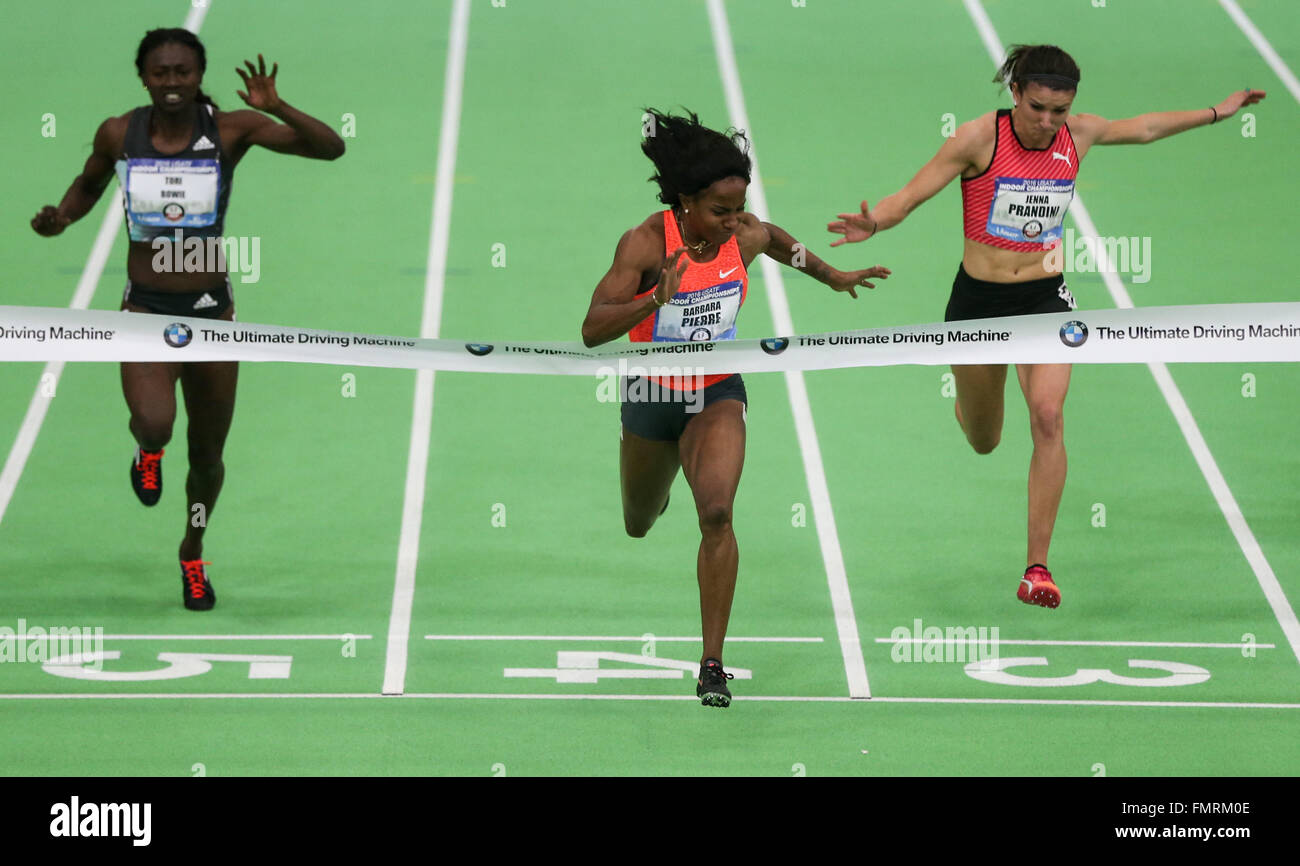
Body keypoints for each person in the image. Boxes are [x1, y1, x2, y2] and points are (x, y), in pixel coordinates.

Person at [828, 44, 1265, 609]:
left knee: (1049, 416)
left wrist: (1216, 112)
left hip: (1045, 300)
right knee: (984, 440)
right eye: (1037, 108)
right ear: (1015, 94)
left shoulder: (1077, 135)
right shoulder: (977, 139)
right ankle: (969, 405)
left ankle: (1037, 567)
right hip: (978, 304)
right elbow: (910, 197)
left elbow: (1148, 127)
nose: (1047, 122)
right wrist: (875, 222)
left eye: (1059, 111)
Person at [582, 108, 889, 706]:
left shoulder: (743, 233)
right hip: (650, 394)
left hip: (718, 390)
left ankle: (712, 663)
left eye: (738, 207)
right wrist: (652, 300)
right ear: (684, 200)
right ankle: (663, 480)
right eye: (720, 211)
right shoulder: (645, 243)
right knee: (638, 522)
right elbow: (593, 329)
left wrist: (831, 277)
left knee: (718, 512)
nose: (734, 222)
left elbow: (778, 241)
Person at [32, 28, 345, 610]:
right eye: (160, 72)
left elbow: (330, 148)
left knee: (207, 458)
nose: (171, 82)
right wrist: (63, 218)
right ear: (143, 77)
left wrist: (277, 107)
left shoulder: (230, 131)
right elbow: (89, 183)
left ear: (198, 75)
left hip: (212, 314)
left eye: (182, 72)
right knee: (155, 422)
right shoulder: (118, 133)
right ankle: (147, 452)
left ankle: (193, 551)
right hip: (145, 311)